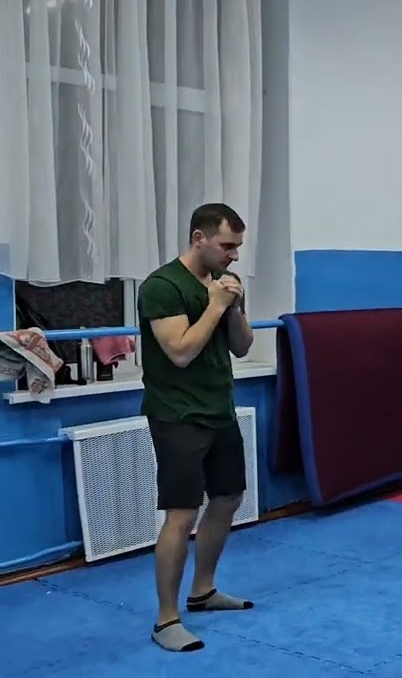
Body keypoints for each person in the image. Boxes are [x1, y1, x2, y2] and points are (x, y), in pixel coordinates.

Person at [137, 203, 256, 652]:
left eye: (238, 247)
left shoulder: (225, 284)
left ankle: (202, 591)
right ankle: (166, 619)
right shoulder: (162, 286)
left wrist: (235, 307)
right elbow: (181, 352)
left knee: (228, 498)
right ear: (198, 238)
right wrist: (216, 304)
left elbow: (242, 348)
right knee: (181, 513)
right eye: (227, 246)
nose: (234, 256)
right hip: (176, 415)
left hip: (219, 408)